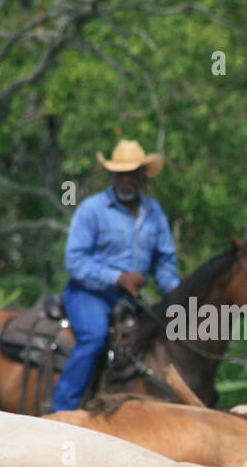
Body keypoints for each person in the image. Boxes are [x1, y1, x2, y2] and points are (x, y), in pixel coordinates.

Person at [50, 140, 180, 412]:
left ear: (143, 176)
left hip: (130, 299)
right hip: (88, 293)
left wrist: (177, 295)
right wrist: (117, 277)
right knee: (94, 338)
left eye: (132, 174)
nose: (126, 180)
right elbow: (74, 261)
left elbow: (165, 263)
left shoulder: (154, 213)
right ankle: (61, 410)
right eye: (121, 174)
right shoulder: (92, 209)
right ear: (112, 176)